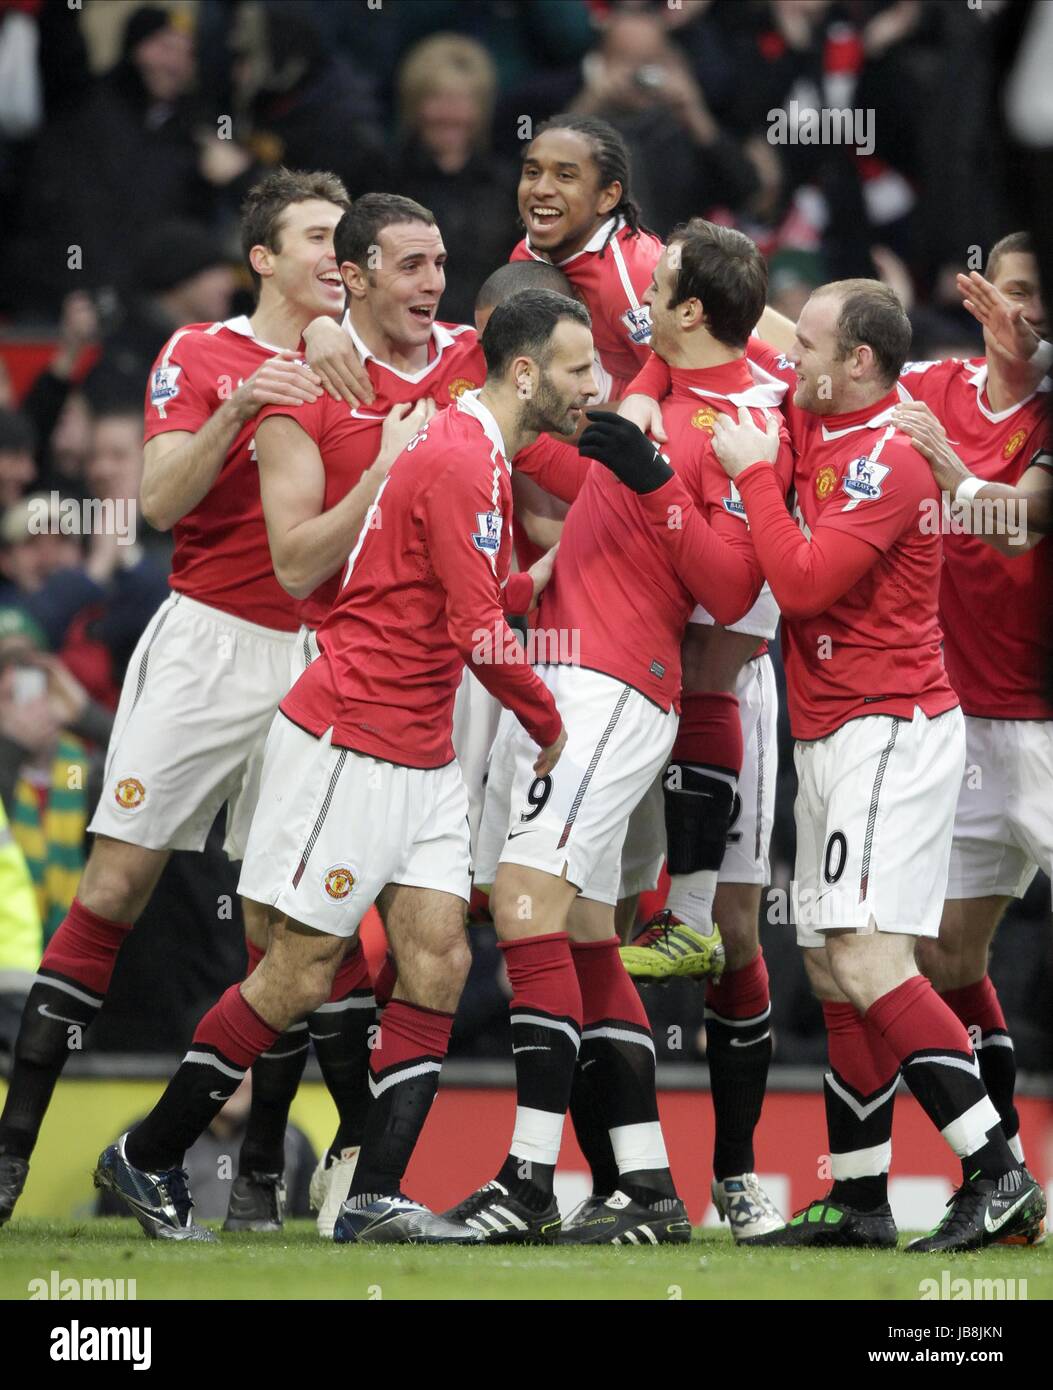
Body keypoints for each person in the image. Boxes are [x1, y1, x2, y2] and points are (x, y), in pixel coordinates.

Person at [93, 288, 588, 1244]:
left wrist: (538, 573)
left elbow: (461, 592)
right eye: (577, 370)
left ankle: (370, 1196)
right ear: (525, 374)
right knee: (303, 968)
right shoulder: (456, 457)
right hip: (352, 737)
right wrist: (549, 721)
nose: (591, 387)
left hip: (421, 748)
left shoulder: (470, 450)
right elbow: (476, 626)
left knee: (438, 957)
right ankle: (148, 1153)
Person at [0, 167, 350, 1232]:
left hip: (314, 654)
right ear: (264, 257)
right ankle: (13, 1150)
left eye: (347, 239)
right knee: (114, 883)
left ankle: (250, 1178)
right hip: (205, 644)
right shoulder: (201, 354)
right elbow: (155, 500)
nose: (340, 256)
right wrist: (244, 403)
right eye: (319, 237)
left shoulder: (363, 361)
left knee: (287, 917)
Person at [680, 277, 1043, 1252]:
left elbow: (799, 585)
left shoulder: (894, 460)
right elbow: (754, 336)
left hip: (891, 730)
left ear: (861, 364)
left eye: (810, 347)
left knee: (869, 956)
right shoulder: (814, 414)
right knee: (829, 969)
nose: (791, 359)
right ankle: (860, 1198)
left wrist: (753, 474)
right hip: (829, 732)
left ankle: (997, 1168)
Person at [452, 222, 792, 1246]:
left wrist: (656, 481)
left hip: (619, 684)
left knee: (526, 909)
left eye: (663, 280)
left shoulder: (742, 422)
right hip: (581, 668)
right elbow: (574, 425)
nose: (641, 289)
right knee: (579, 929)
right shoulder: (653, 387)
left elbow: (737, 589)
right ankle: (644, 1183)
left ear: (686, 308)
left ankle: (526, 1180)